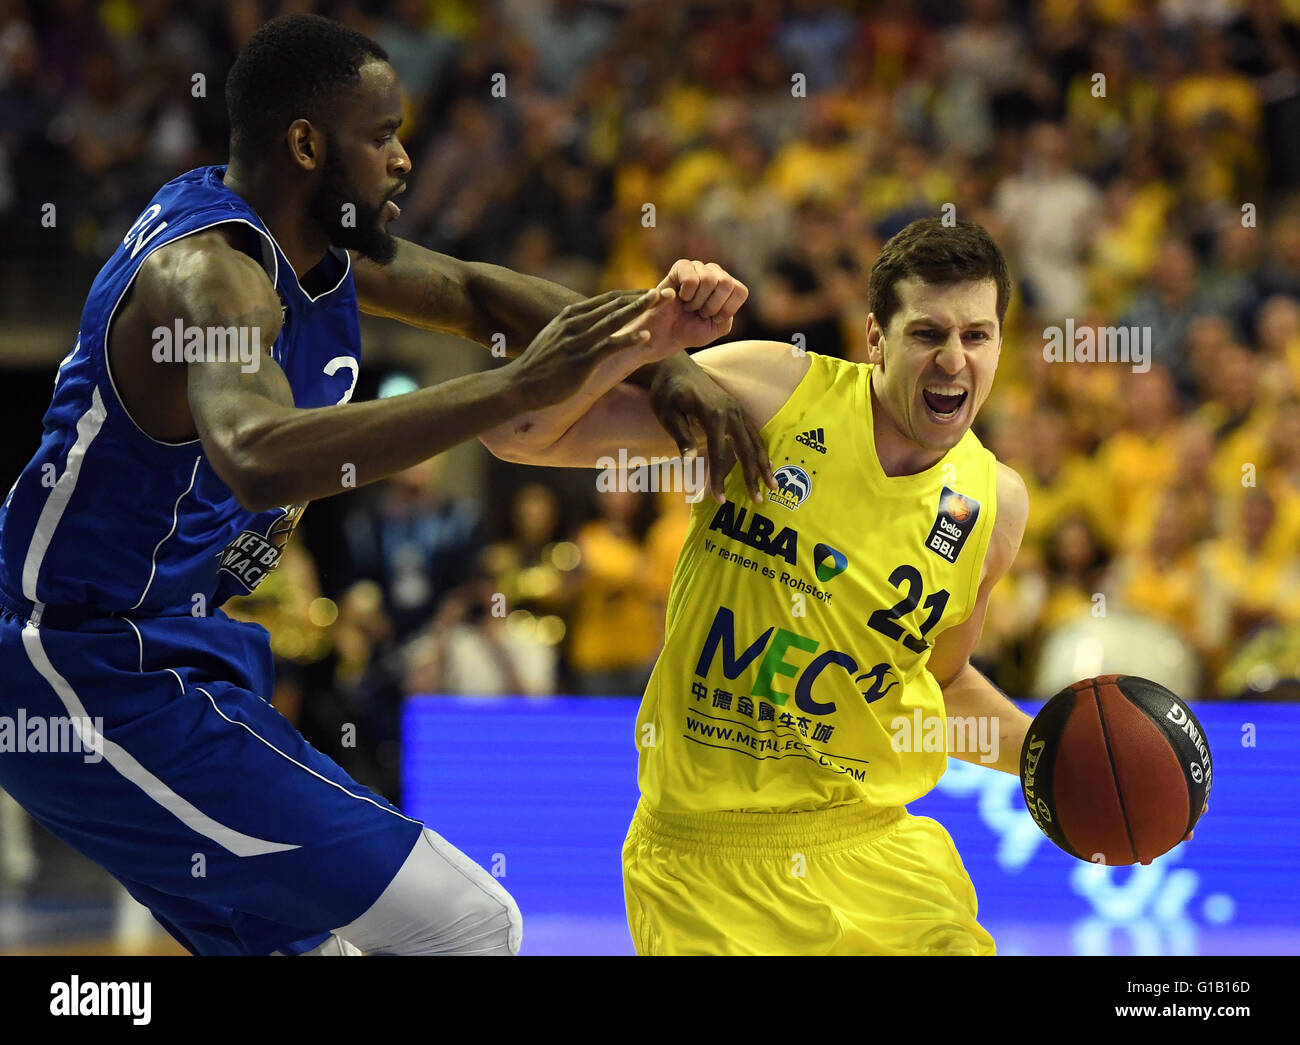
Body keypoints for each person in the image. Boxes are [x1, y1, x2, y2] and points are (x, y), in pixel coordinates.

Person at [0, 13, 762, 957]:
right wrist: (517, 388)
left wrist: (663, 360)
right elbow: (257, 449)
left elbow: (484, 294)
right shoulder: (211, 278)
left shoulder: (320, 249)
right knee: (473, 923)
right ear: (307, 144)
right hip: (82, 665)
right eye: (383, 135)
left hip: (182, 652)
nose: (404, 159)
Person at [483, 217, 1203, 955]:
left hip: (877, 848)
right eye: (928, 333)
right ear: (875, 337)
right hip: (706, 864)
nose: (954, 359)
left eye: (977, 336)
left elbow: (940, 683)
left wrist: (1060, 751)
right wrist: (648, 335)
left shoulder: (994, 504)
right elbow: (520, 431)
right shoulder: (774, 394)